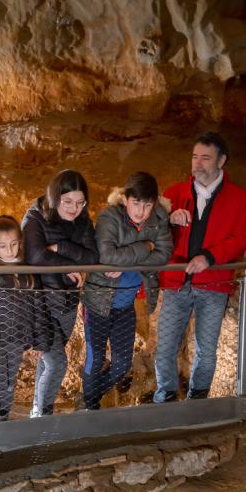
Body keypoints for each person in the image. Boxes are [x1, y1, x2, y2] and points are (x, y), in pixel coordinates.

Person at [154, 131, 246, 402]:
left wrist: (209, 257)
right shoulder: (173, 194)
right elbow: (152, 233)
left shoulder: (238, 198)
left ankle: (197, 401)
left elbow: (242, 236)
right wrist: (168, 221)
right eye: (195, 157)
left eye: (205, 158)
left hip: (214, 283)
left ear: (221, 161)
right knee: (164, 348)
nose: (198, 163)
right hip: (177, 282)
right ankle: (164, 398)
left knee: (206, 349)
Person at [80, 172, 173, 410]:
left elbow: (163, 256)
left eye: (147, 205)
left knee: (121, 365)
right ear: (125, 199)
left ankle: (86, 398)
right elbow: (107, 256)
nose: (141, 211)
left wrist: (126, 261)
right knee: (95, 358)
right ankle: (91, 408)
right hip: (98, 301)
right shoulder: (109, 216)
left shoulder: (158, 218)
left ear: (155, 203)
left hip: (125, 305)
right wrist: (146, 246)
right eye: (136, 203)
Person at [22, 169, 99, 416]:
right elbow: (34, 255)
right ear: (54, 197)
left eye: (80, 202)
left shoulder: (83, 221)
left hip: (66, 304)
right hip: (39, 304)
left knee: (48, 363)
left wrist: (59, 246)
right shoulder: (35, 216)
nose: (74, 208)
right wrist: (67, 267)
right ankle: (42, 414)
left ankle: (39, 410)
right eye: (67, 202)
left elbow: (92, 256)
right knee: (57, 362)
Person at [0, 216, 51, 423]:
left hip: (16, 338)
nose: (10, 250)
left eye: (14, 244)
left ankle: (2, 419)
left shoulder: (27, 272)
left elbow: (38, 307)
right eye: (3, 246)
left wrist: (40, 340)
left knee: (9, 384)